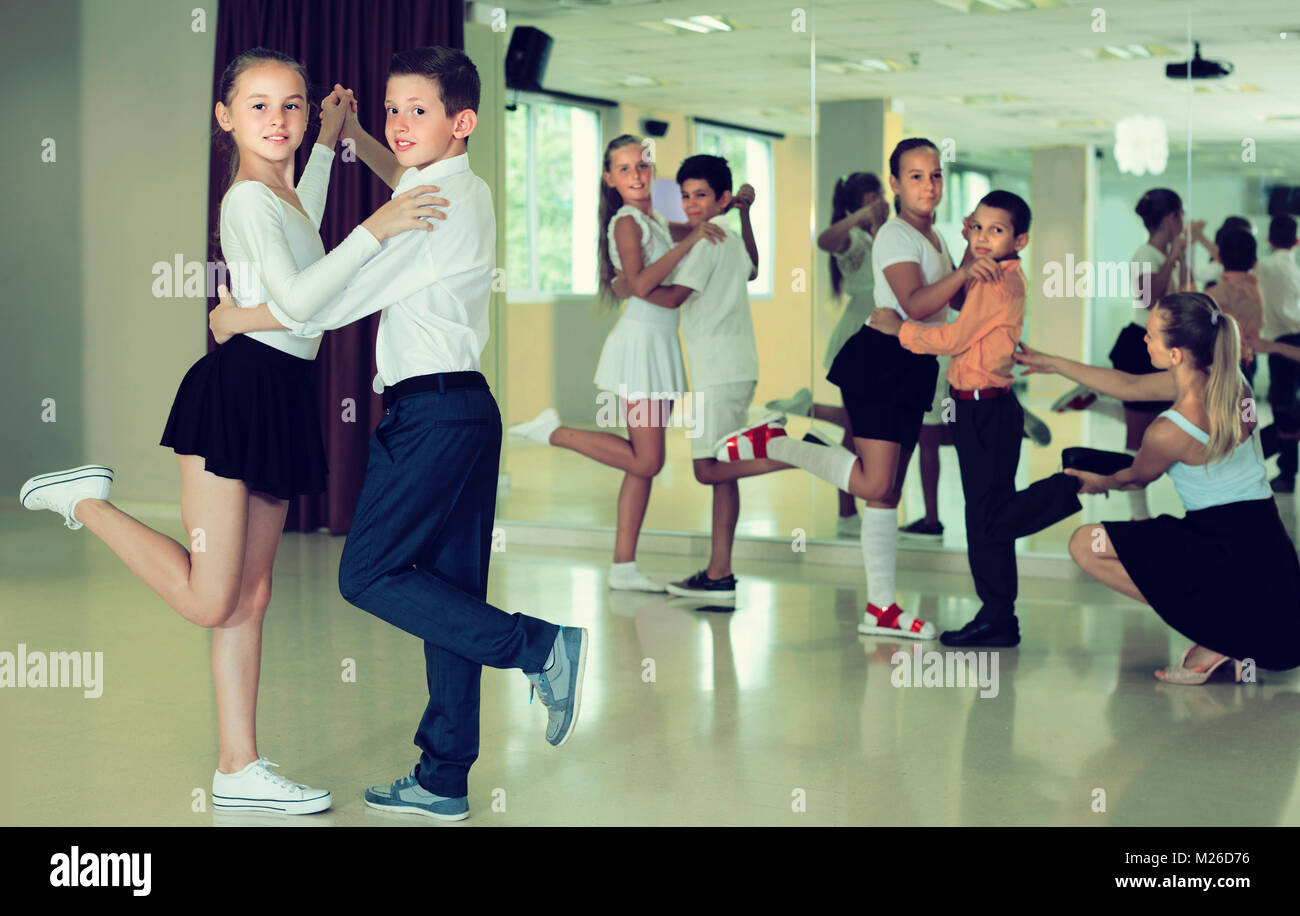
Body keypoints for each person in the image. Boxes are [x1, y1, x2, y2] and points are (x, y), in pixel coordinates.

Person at [19, 48, 441, 815]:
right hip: (237, 395)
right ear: (225, 116)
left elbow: (305, 241)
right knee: (214, 599)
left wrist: (329, 138)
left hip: (281, 397)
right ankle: (84, 502)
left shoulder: (282, 196)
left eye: (292, 105)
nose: (278, 119)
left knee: (252, 596)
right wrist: (376, 227)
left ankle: (238, 769)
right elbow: (303, 301)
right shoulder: (247, 200)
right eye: (259, 105)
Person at [209, 47, 588, 821]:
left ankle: (538, 645)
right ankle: (444, 779)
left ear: (463, 120)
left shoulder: (429, 208)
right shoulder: (454, 187)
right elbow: (407, 180)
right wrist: (349, 137)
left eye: (418, 110)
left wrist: (234, 317)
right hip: (462, 410)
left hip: (430, 417)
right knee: (449, 594)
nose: (399, 124)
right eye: (391, 109)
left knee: (367, 573)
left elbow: (319, 307)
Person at [716, 137, 989, 640]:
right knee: (875, 485)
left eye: (935, 175)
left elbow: (953, 302)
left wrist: (973, 251)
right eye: (915, 176)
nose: (928, 185)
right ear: (895, 184)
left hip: (916, 365)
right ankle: (776, 443)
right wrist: (966, 270)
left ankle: (881, 608)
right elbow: (916, 302)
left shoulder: (935, 238)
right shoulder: (894, 235)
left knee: (887, 494)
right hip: (881, 361)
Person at [1015, 293, 1300, 680]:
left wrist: (1098, 482)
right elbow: (1130, 385)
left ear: (1176, 354)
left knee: (1086, 544)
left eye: (1150, 335)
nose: (1144, 340)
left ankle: (1216, 636)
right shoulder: (1235, 385)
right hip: (1266, 547)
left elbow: (1135, 477)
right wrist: (1051, 362)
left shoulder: (1170, 429)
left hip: (1218, 548)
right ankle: (1224, 630)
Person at [507, 134, 724, 593]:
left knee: (639, 465)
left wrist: (732, 206)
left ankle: (623, 567)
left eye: (642, 166)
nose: (636, 175)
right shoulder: (626, 222)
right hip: (640, 346)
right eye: (624, 169)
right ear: (610, 178)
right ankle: (554, 432)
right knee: (648, 460)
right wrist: (687, 245)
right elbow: (642, 284)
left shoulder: (655, 220)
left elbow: (683, 243)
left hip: (661, 345)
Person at [870, 191, 1084, 648]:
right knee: (986, 516)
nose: (984, 238)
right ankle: (999, 616)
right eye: (978, 228)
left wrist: (899, 329)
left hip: (982, 408)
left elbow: (953, 338)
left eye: (997, 230)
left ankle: (1071, 484)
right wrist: (970, 250)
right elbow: (963, 301)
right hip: (984, 406)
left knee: (986, 519)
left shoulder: (996, 283)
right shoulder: (994, 273)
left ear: (1020, 240)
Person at [766, 172, 890, 538]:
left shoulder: (879, 235)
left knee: (867, 423)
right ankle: (846, 513)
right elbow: (824, 240)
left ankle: (810, 409)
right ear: (858, 203)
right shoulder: (852, 238)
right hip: (859, 333)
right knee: (856, 430)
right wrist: (860, 217)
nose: (880, 202)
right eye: (873, 197)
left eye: (880, 195)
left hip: (884, 330)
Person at [1254, 214, 1300, 492]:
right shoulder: (1295, 270)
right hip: (1296, 342)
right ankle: (1285, 472)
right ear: (1297, 241)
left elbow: (1232, 263)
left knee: (1285, 411)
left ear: (1269, 239)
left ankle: (1284, 472)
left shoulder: (1264, 267)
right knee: (1287, 410)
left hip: (1279, 346)